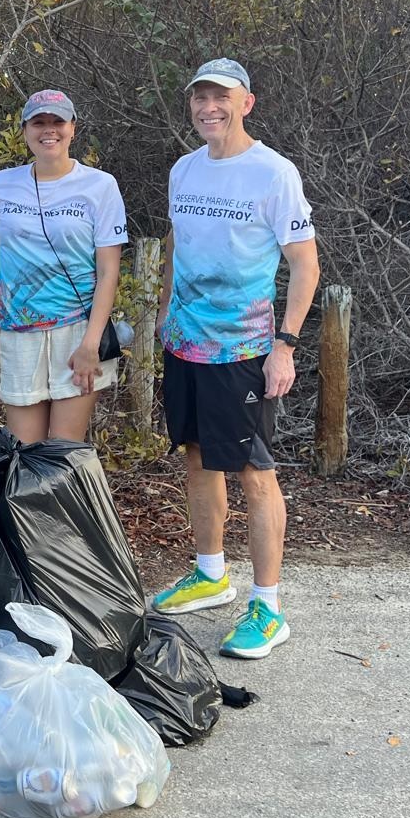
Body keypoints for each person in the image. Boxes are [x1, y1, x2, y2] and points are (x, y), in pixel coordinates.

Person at [152, 57, 319, 660]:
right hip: (185, 345)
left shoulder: (273, 173)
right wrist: (164, 319)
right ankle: (210, 573)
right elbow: (178, 250)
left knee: (254, 472)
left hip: (244, 350)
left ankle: (269, 609)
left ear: (246, 102)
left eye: (221, 97)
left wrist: (285, 346)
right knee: (197, 456)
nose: (208, 108)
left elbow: (305, 264)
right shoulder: (183, 170)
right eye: (200, 97)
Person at [0, 88, 128, 444]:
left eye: (57, 121)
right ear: (24, 130)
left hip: (77, 330)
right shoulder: (3, 183)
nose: (48, 130)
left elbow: (109, 272)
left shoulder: (100, 186)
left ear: (72, 128)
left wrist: (90, 344)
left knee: (64, 453)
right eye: (39, 122)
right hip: (20, 331)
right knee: (25, 451)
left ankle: (69, 504)